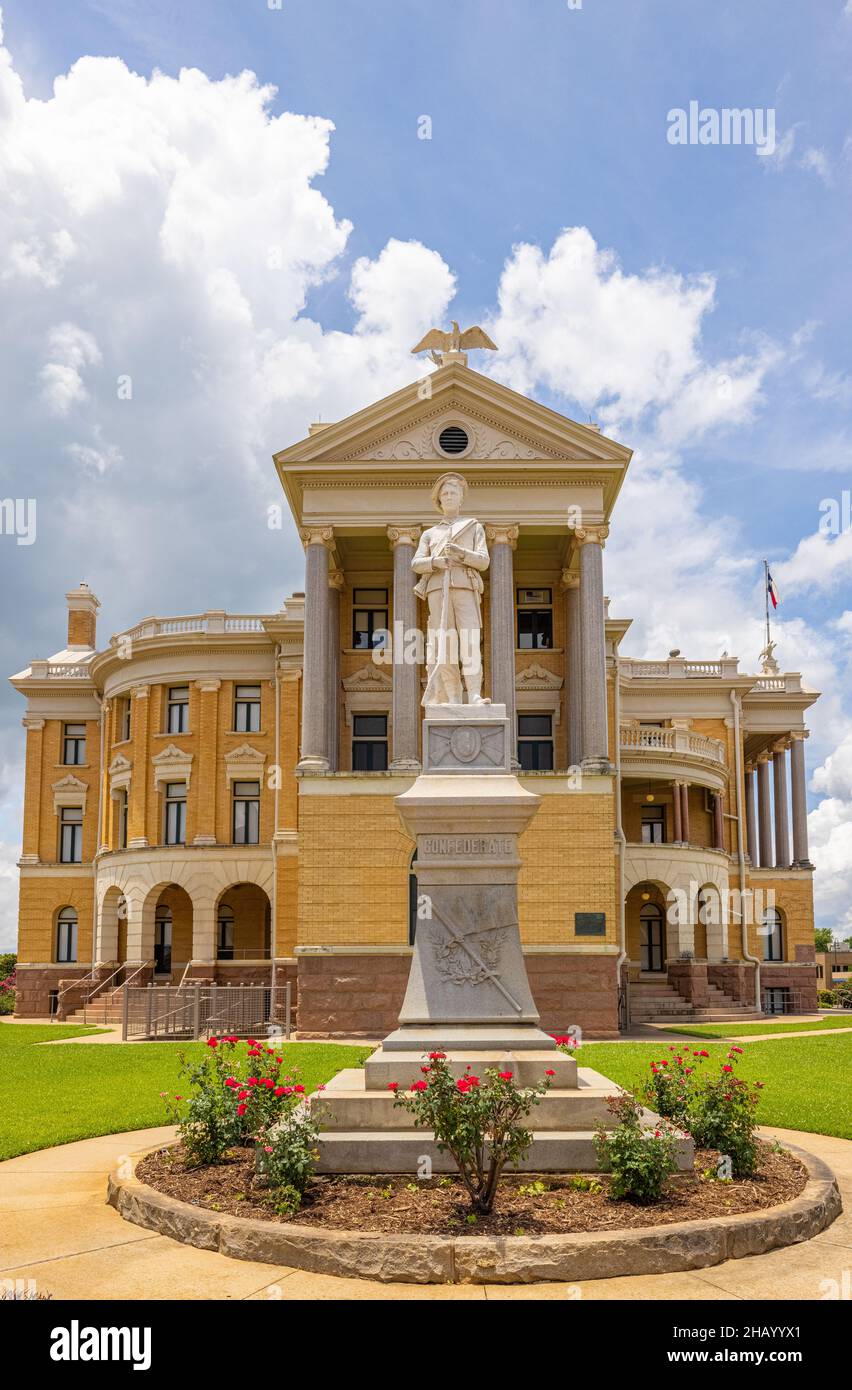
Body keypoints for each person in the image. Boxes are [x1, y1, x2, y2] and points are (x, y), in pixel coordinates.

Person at [412, 471, 490, 704]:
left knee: (470, 641)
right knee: (444, 645)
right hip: (437, 589)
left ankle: (474, 693)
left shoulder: (473, 527)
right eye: (444, 493)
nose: (448, 496)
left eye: (453, 492)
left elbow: (484, 561)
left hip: (465, 587)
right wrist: (435, 562)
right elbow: (416, 563)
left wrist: (462, 554)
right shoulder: (430, 534)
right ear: (439, 500)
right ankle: (453, 697)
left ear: (461, 497)